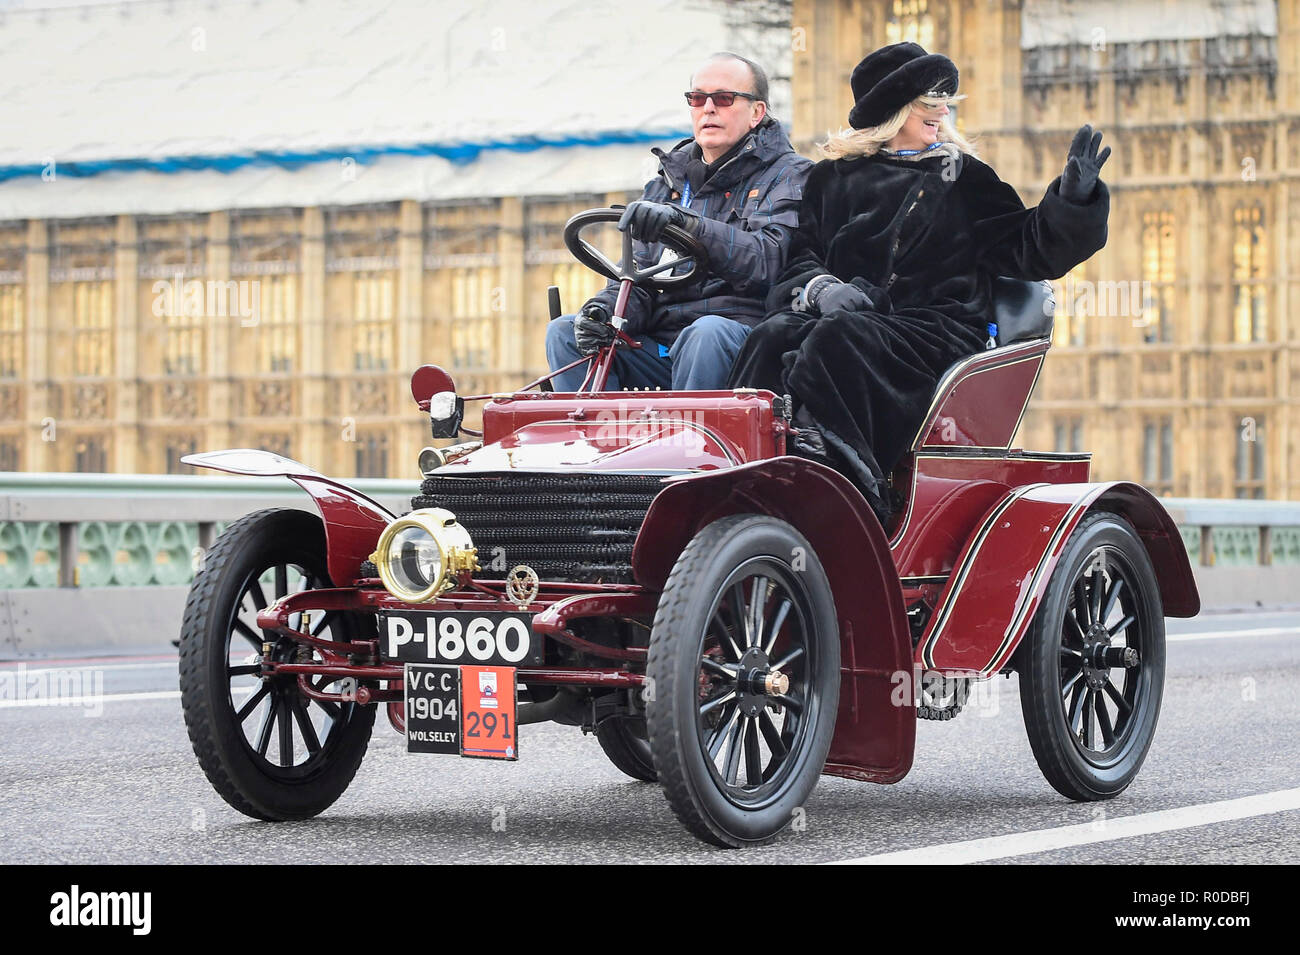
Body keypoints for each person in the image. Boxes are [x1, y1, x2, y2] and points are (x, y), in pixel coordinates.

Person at [727, 42, 1111, 521]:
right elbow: (799, 262)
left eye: (942, 102)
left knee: (839, 339)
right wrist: (823, 289)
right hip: (847, 323)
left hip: (933, 331)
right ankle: (740, 468)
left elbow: (1030, 247)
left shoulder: (962, 178)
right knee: (772, 334)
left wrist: (1074, 201)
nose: (943, 111)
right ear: (894, 112)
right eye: (929, 103)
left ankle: (847, 480)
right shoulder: (832, 180)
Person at [545, 52, 812, 391]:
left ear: (756, 112)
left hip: (737, 342)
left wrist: (686, 223)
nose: (709, 108)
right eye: (698, 98)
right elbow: (637, 273)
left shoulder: (790, 174)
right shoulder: (666, 184)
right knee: (565, 333)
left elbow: (766, 260)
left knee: (705, 334)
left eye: (724, 98)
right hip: (659, 347)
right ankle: (598, 439)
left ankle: (695, 441)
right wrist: (601, 312)